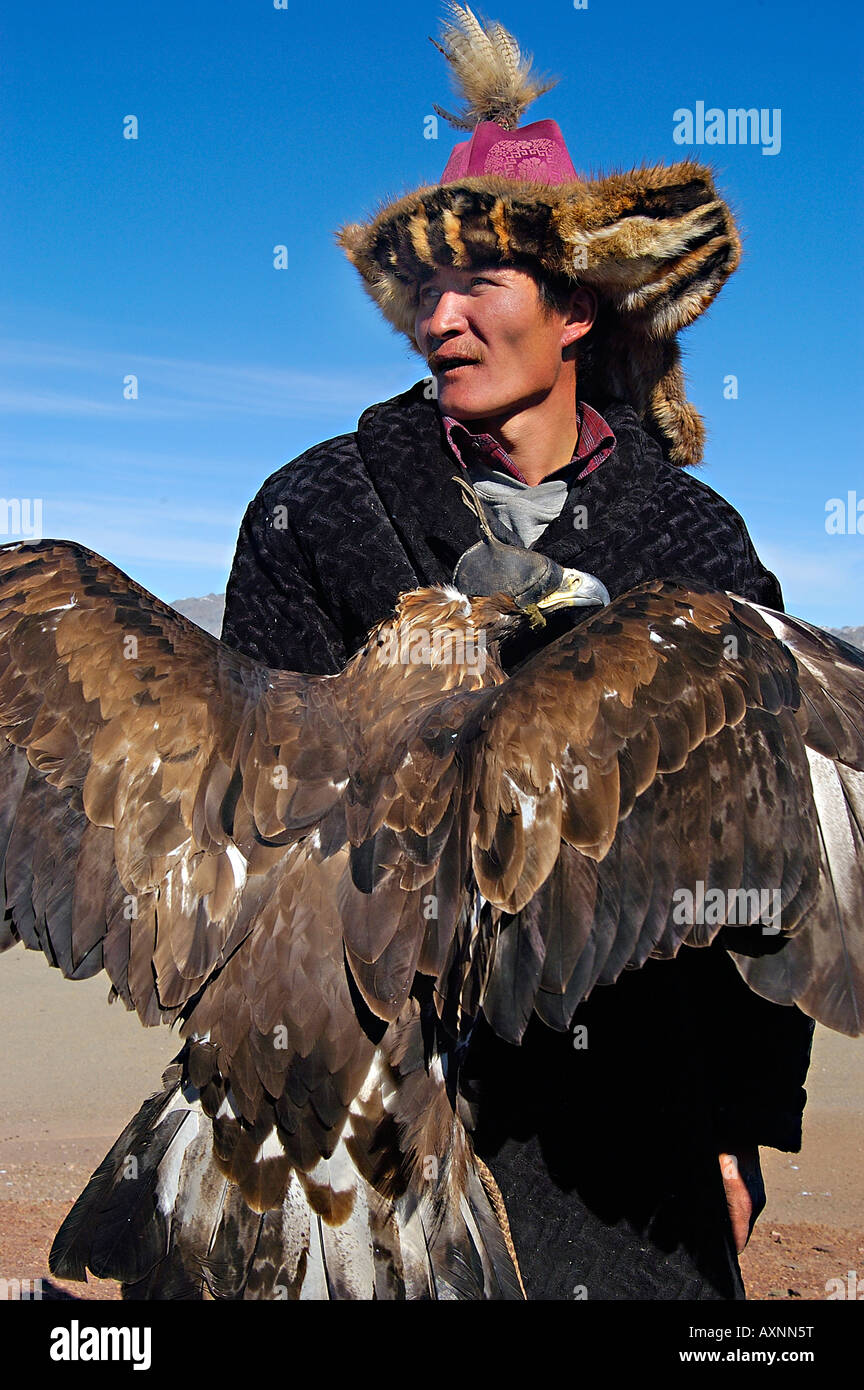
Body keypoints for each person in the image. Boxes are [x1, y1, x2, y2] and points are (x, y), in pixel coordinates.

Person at [221, 4, 813, 1299]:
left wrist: (739, 1119)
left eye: (481, 280)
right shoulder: (314, 511)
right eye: (426, 287)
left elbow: (765, 870)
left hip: (630, 1145)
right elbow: (251, 841)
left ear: (577, 307)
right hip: (372, 1129)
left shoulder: (690, 540)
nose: (444, 318)